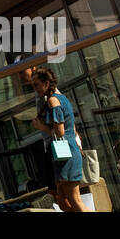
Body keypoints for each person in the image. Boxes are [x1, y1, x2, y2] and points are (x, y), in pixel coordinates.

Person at [30, 66, 87, 212]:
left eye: (36, 84)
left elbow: (60, 133)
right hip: (65, 153)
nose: (35, 88)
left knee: (75, 200)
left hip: (66, 152)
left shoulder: (53, 101)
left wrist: (40, 127)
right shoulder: (60, 98)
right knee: (62, 201)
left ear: (46, 83)